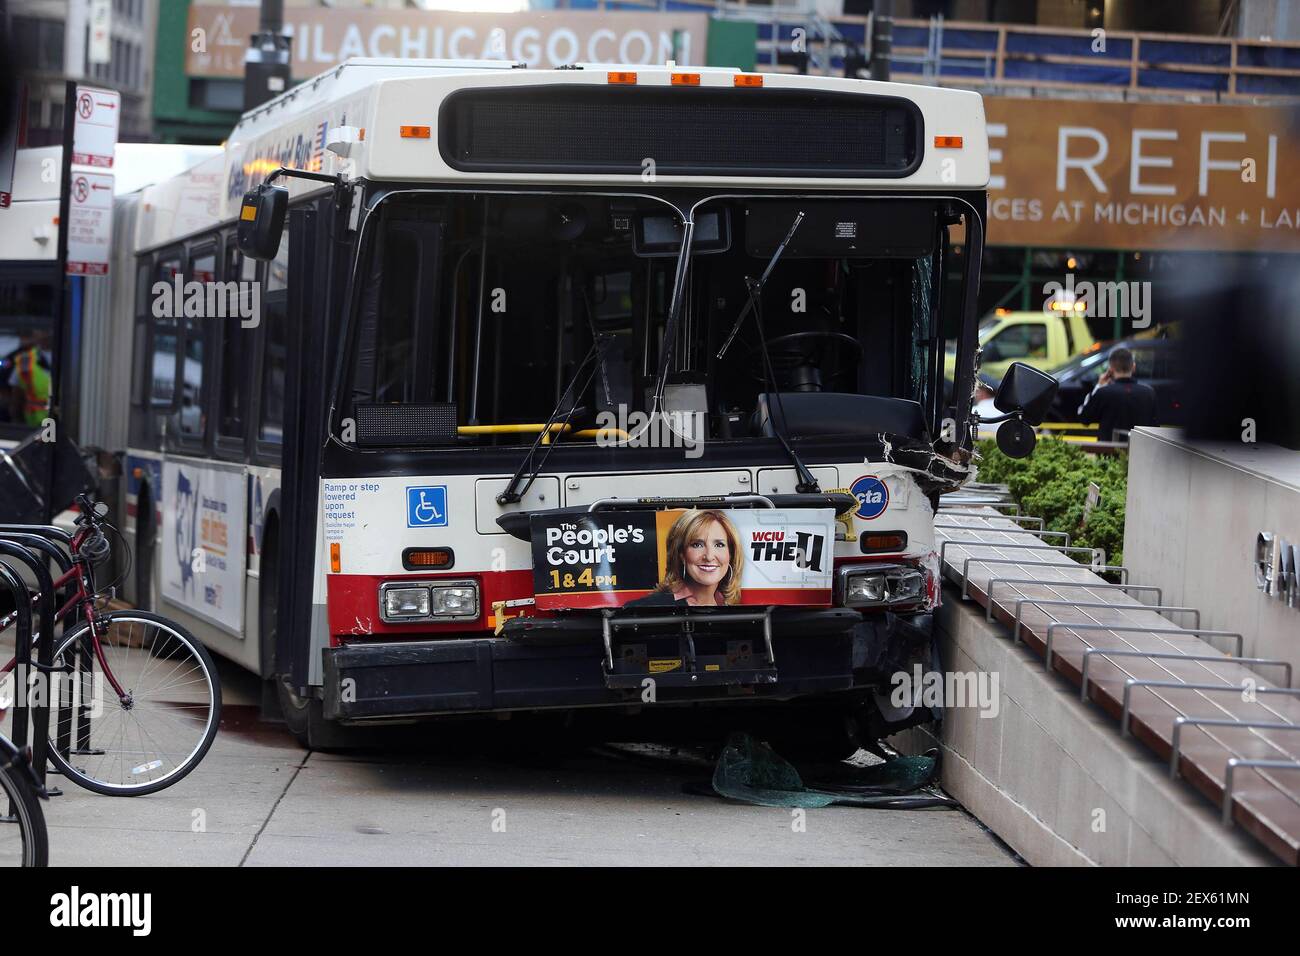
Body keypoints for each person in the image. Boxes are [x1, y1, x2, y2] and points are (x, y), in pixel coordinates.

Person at [627, 509, 743, 607]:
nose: (708, 557)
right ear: (681, 553)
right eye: (697, 545)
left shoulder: (734, 608)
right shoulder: (645, 609)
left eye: (719, 545)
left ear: (731, 554)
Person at [1077, 346, 1156, 441]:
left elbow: (1084, 418)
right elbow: (1154, 426)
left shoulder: (1103, 392)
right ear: (1133, 367)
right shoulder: (1149, 393)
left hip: (1108, 453)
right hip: (1139, 451)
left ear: (1110, 369)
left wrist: (1098, 386)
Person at [6, 330, 51, 428]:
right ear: (35, 333)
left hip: (67, 428)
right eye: (42, 330)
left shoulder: (75, 357)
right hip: (33, 428)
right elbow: (16, 398)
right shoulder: (25, 360)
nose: (46, 334)